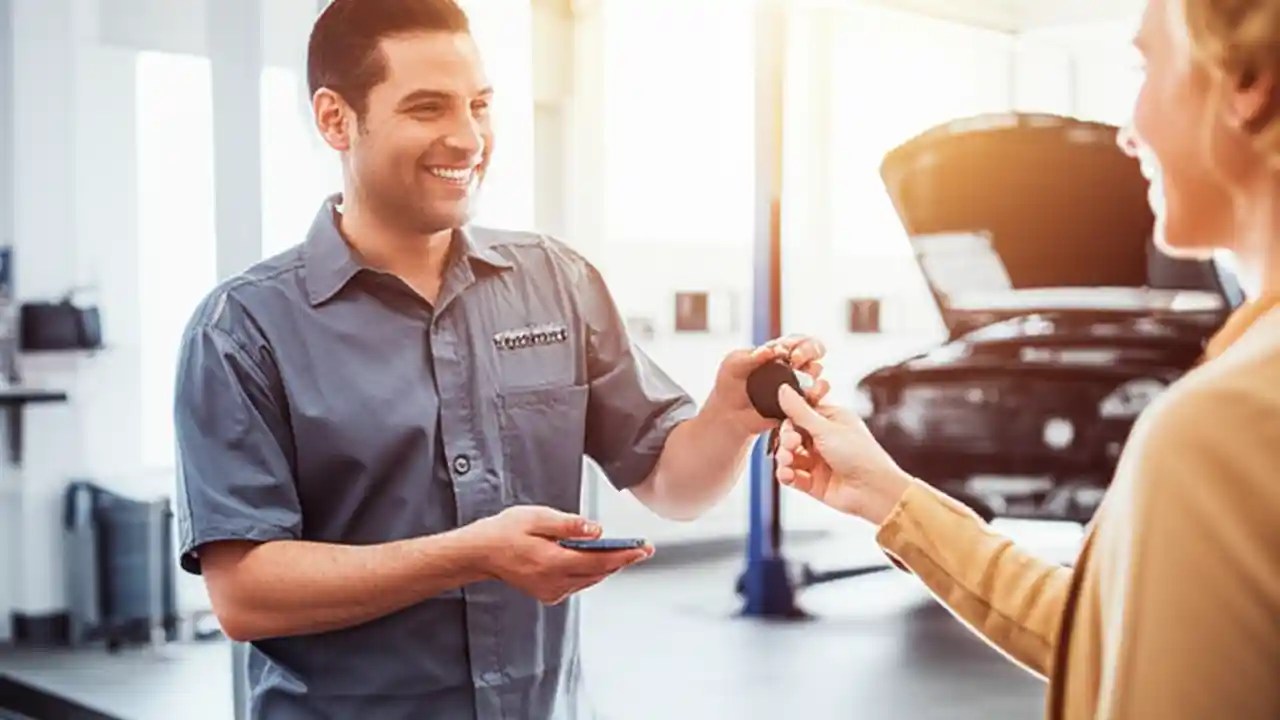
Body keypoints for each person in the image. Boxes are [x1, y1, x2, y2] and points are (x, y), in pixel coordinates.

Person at [172, 1, 828, 718]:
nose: (467, 138)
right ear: (336, 120)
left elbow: (673, 484)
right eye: (427, 108)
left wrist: (729, 418)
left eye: (480, 105)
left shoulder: (557, 282)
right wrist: (472, 554)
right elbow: (246, 595)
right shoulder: (242, 330)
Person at [771, 0, 1280, 717]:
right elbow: (1107, 638)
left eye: (1144, 66)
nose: (1129, 135)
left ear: (1246, 81)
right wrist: (888, 495)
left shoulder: (1223, 424)